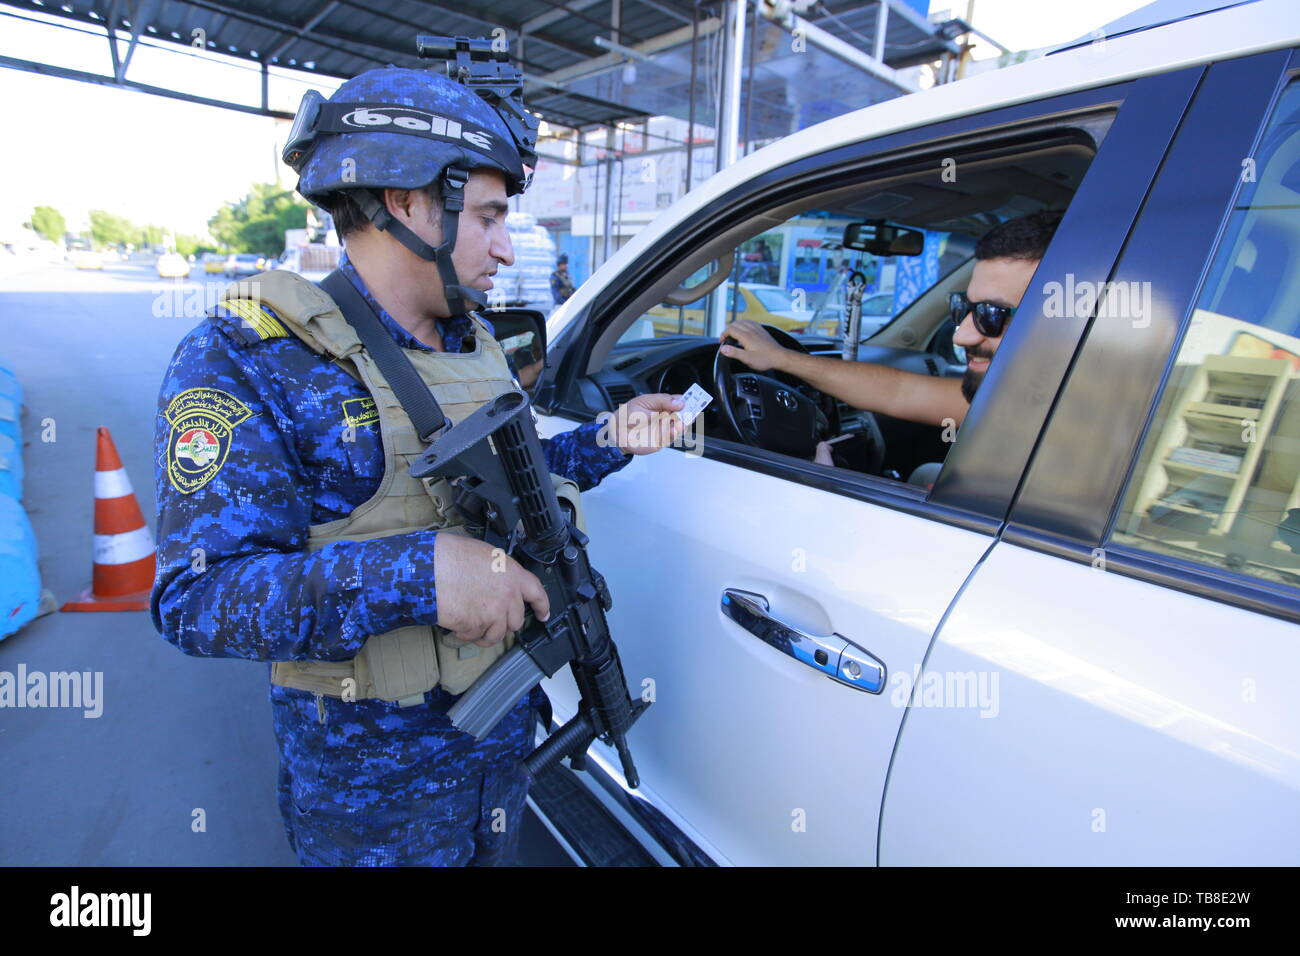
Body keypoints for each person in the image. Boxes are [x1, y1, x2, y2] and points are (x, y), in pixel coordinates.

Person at [151, 64, 685, 866]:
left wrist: (608, 438)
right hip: (376, 804)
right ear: (408, 202)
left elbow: (510, 482)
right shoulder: (255, 355)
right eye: (489, 217)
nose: (507, 248)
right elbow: (198, 598)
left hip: (497, 760)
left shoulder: (473, 344)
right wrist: (425, 573)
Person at [720, 210, 1064, 466]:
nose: (961, 336)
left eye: (992, 316)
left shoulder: (1089, 443)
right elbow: (901, 392)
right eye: (964, 309)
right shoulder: (1022, 396)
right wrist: (780, 359)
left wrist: (824, 485)